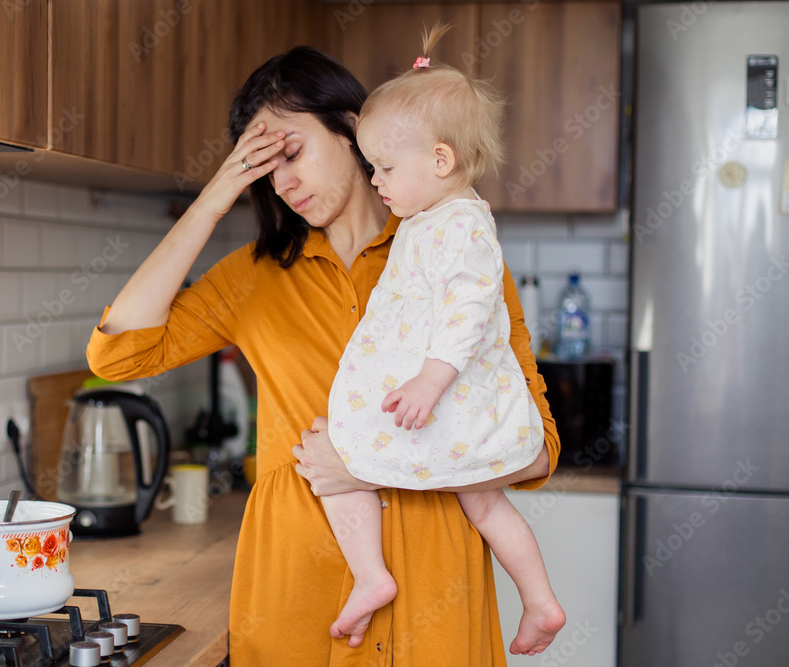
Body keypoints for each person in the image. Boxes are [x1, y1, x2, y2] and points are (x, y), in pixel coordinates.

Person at [87, 44, 561, 666]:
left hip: (437, 598)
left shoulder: (458, 260)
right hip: (296, 593)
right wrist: (216, 195)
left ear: (351, 132)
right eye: (263, 168)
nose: (281, 182)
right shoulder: (252, 279)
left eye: (290, 152)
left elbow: (537, 447)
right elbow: (119, 355)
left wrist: (370, 466)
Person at [320, 25, 565, 655]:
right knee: (482, 506)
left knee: (342, 466)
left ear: (440, 160)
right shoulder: (429, 220)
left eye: (384, 167)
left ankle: (377, 576)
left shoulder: (461, 225)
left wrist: (431, 379)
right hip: (435, 397)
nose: (375, 180)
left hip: (444, 395)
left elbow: (468, 307)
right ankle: (538, 601)